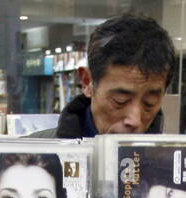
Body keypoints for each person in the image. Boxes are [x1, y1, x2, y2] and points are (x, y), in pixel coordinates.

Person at [31, 14, 177, 138]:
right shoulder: (31, 158)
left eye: (149, 103)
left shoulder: (178, 167)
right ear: (87, 82)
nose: (135, 120)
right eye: (120, 101)